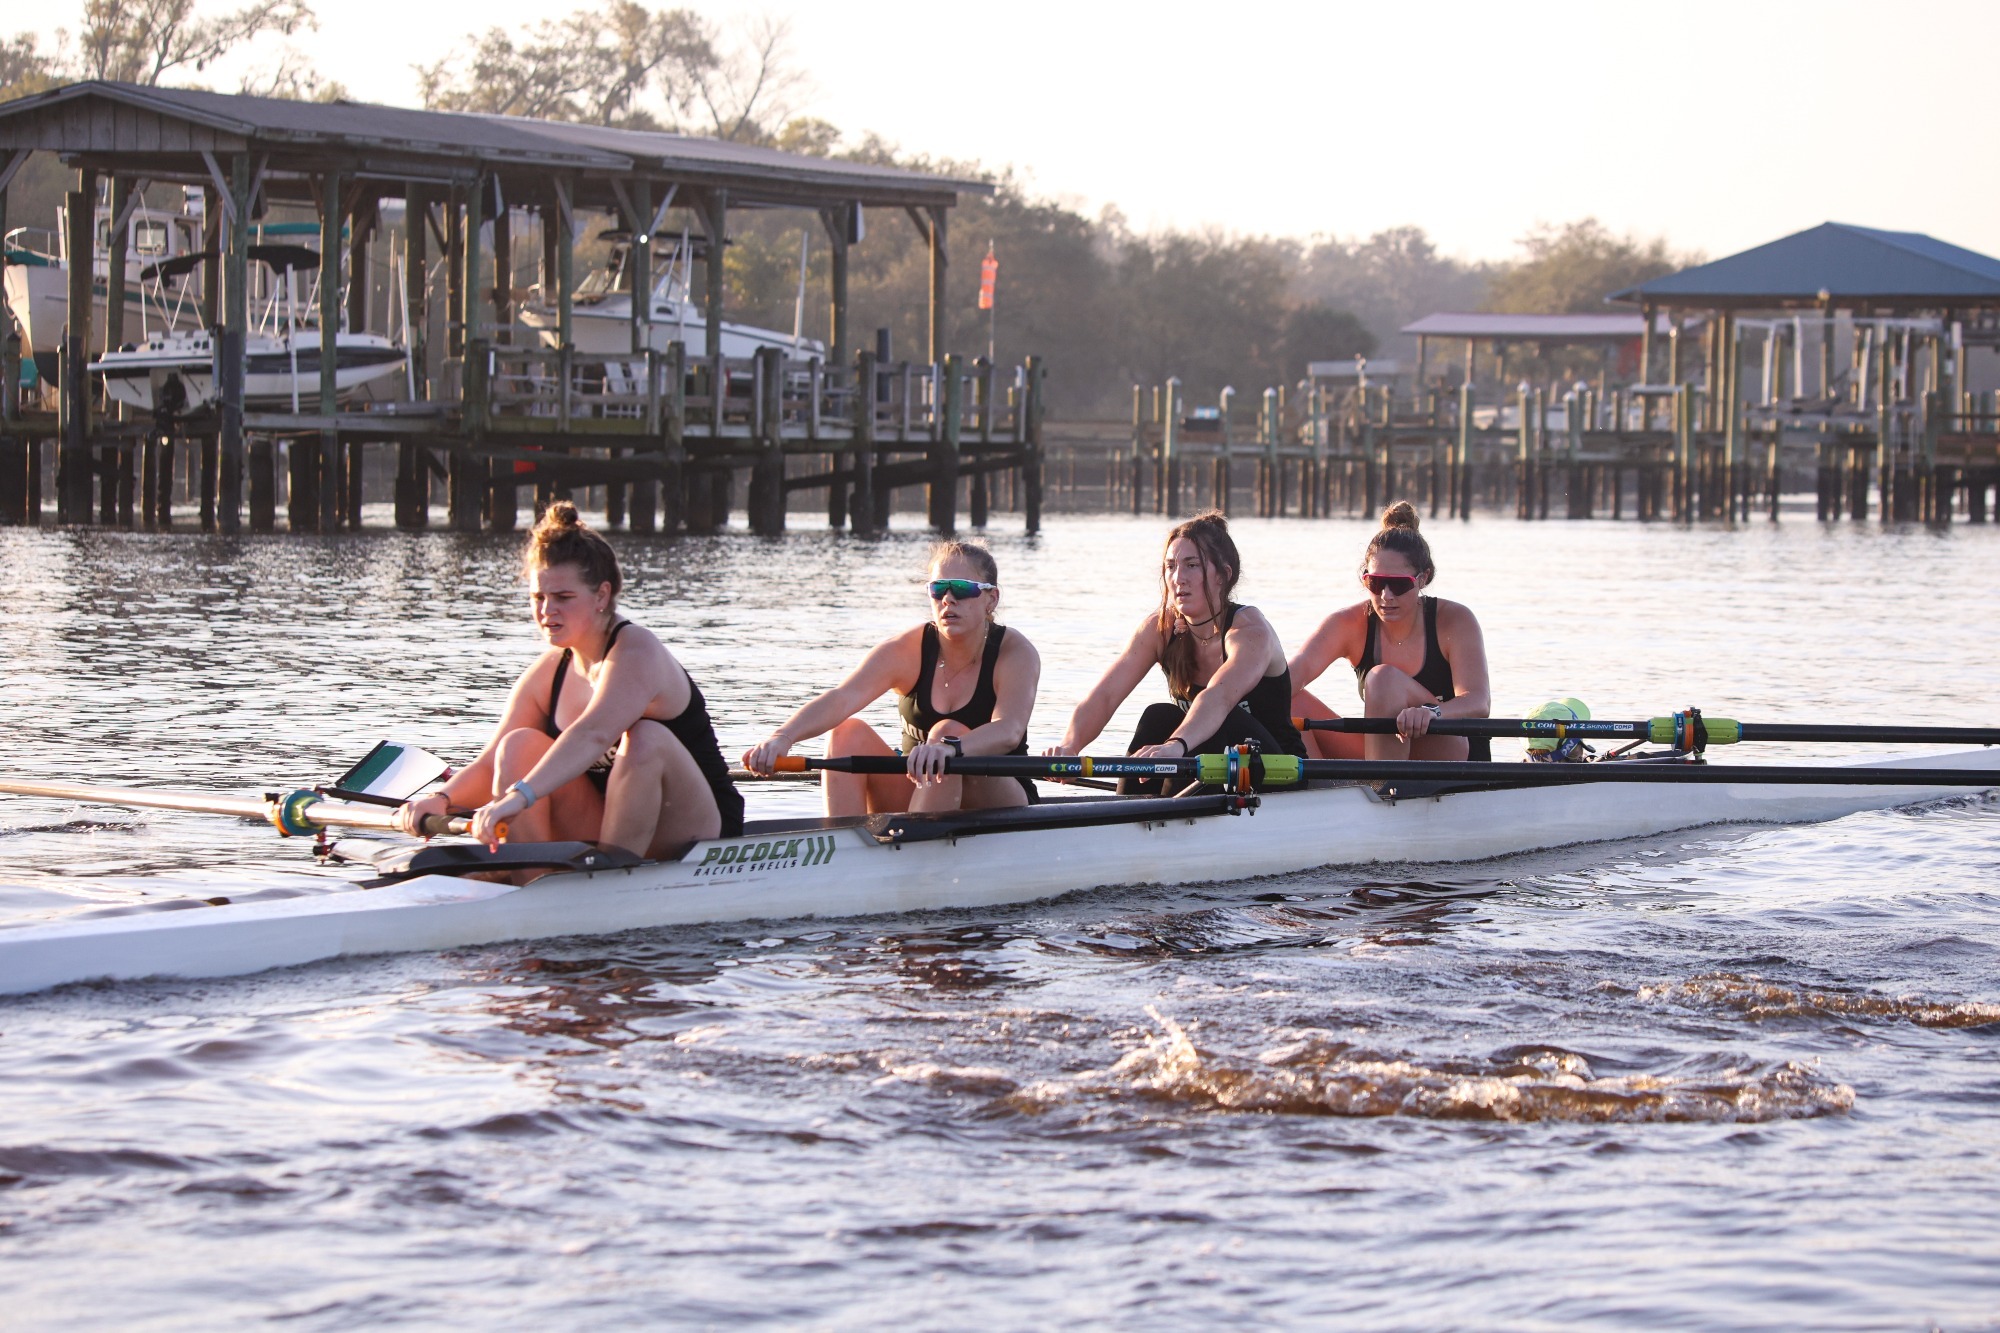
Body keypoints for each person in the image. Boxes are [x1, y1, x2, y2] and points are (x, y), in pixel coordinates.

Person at [394, 502, 743, 860]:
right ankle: (531, 882)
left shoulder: (637, 650)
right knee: (517, 746)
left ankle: (606, 885)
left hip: (697, 830)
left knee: (645, 738)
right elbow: (488, 765)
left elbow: (592, 734)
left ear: (601, 596)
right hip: (613, 827)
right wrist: (441, 799)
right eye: (538, 598)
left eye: (563, 597)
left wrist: (518, 797)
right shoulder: (548, 673)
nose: (547, 612)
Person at [740, 541, 1041, 815]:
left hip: (998, 797)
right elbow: (843, 698)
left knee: (947, 730)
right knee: (846, 733)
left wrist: (951, 748)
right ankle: (846, 847)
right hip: (919, 794)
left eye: (961, 588)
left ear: (991, 598)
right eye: (938, 589)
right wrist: (782, 737)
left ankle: (916, 855)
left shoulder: (1015, 652)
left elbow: (1009, 730)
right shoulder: (907, 650)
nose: (948, 600)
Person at [1049, 511, 1304, 793]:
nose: (1178, 578)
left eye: (1191, 565)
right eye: (1171, 566)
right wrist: (1070, 747)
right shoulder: (1160, 628)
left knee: (1216, 722)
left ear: (1223, 575)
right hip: (1209, 771)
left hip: (1278, 773)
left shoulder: (1251, 631)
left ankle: (1163, 816)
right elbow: (1106, 695)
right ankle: (1130, 812)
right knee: (1158, 716)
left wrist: (1175, 745)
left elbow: (1218, 698)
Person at [1287, 500, 1491, 762]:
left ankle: (1381, 789)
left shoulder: (1455, 620)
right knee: (1287, 697)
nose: (1386, 596)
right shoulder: (1348, 623)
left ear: (1422, 579)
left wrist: (1432, 712)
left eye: (1398, 585)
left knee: (1384, 679)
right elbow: (1290, 676)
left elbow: (1478, 702)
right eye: (1375, 583)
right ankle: (1316, 791)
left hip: (1450, 753)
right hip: (1385, 751)